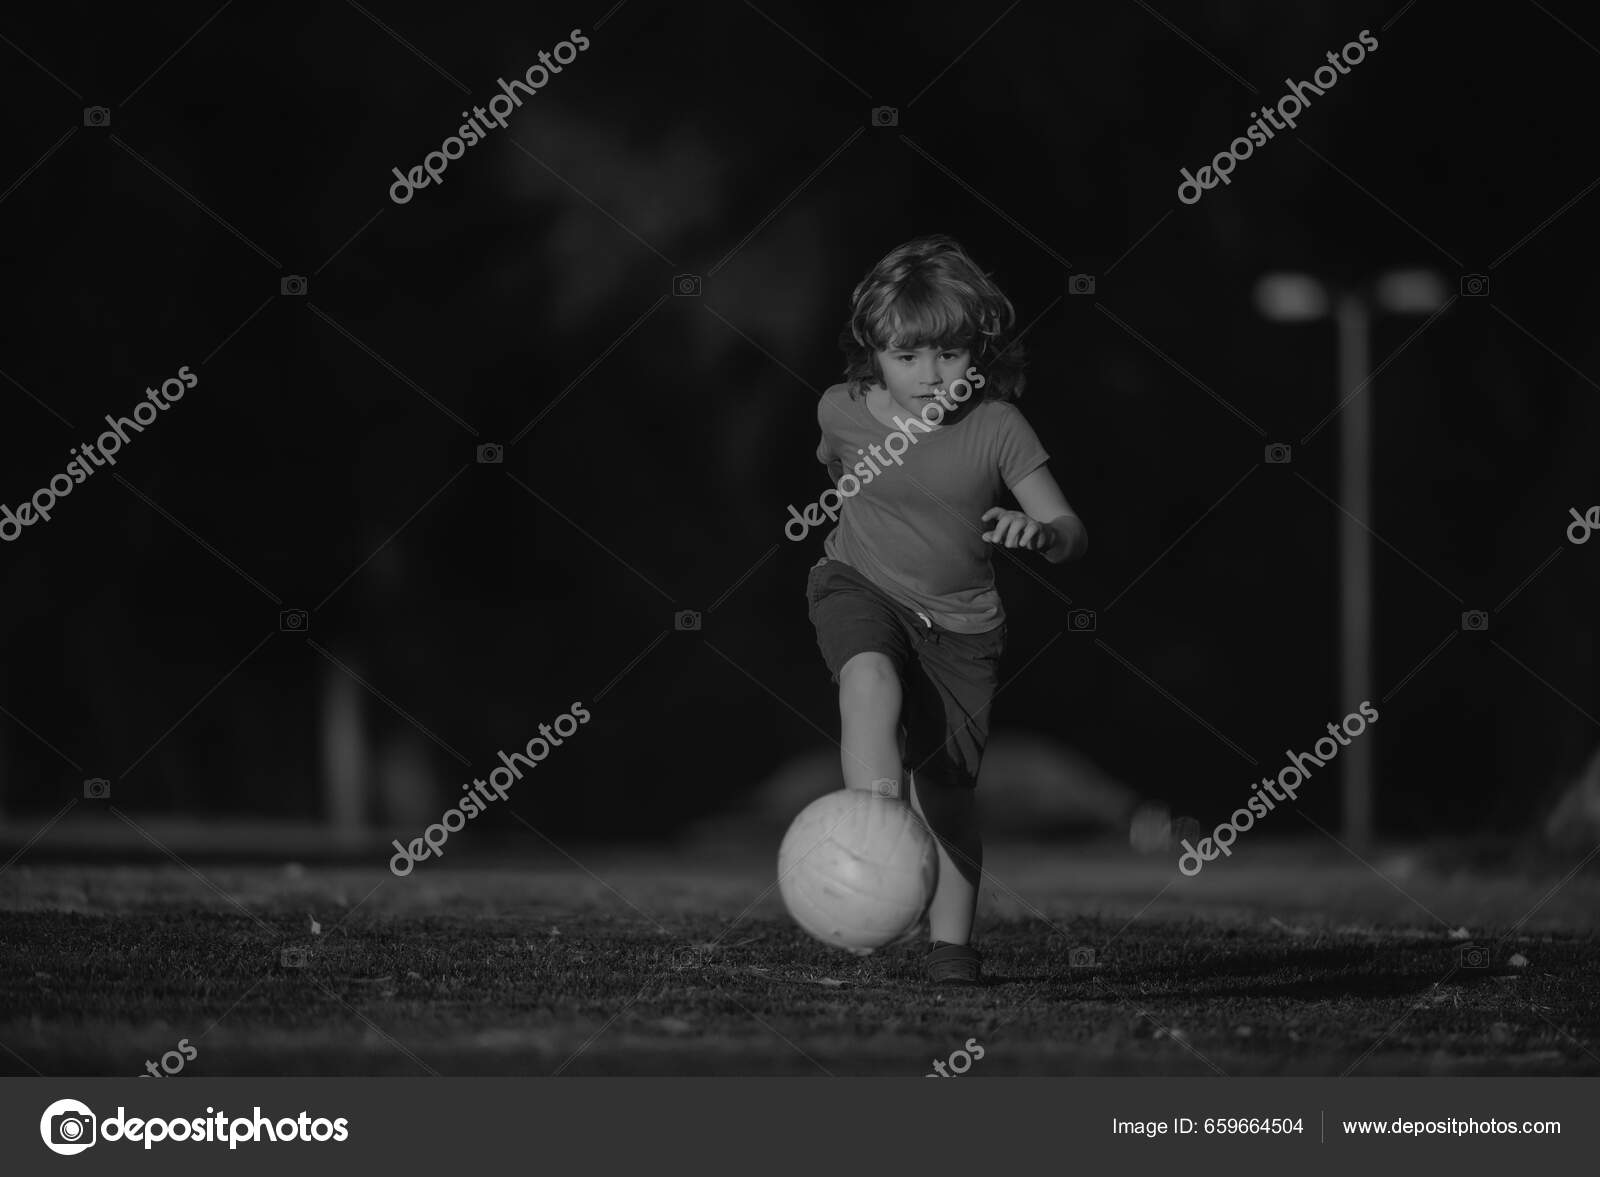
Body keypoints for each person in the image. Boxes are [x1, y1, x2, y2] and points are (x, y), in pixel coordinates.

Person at [803, 235, 1087, 985]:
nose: (931, 376)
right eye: (908, 357)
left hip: (961, 629)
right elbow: (845, 478)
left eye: (950, 355)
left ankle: (952, 949)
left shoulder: (998, 427)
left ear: (979, 350)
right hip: (857, 583)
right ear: (873, 353)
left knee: (950, 798)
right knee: (868, 679)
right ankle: (872, 838)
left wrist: (1042, 533)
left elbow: (1070, 529)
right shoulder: (839, 410)